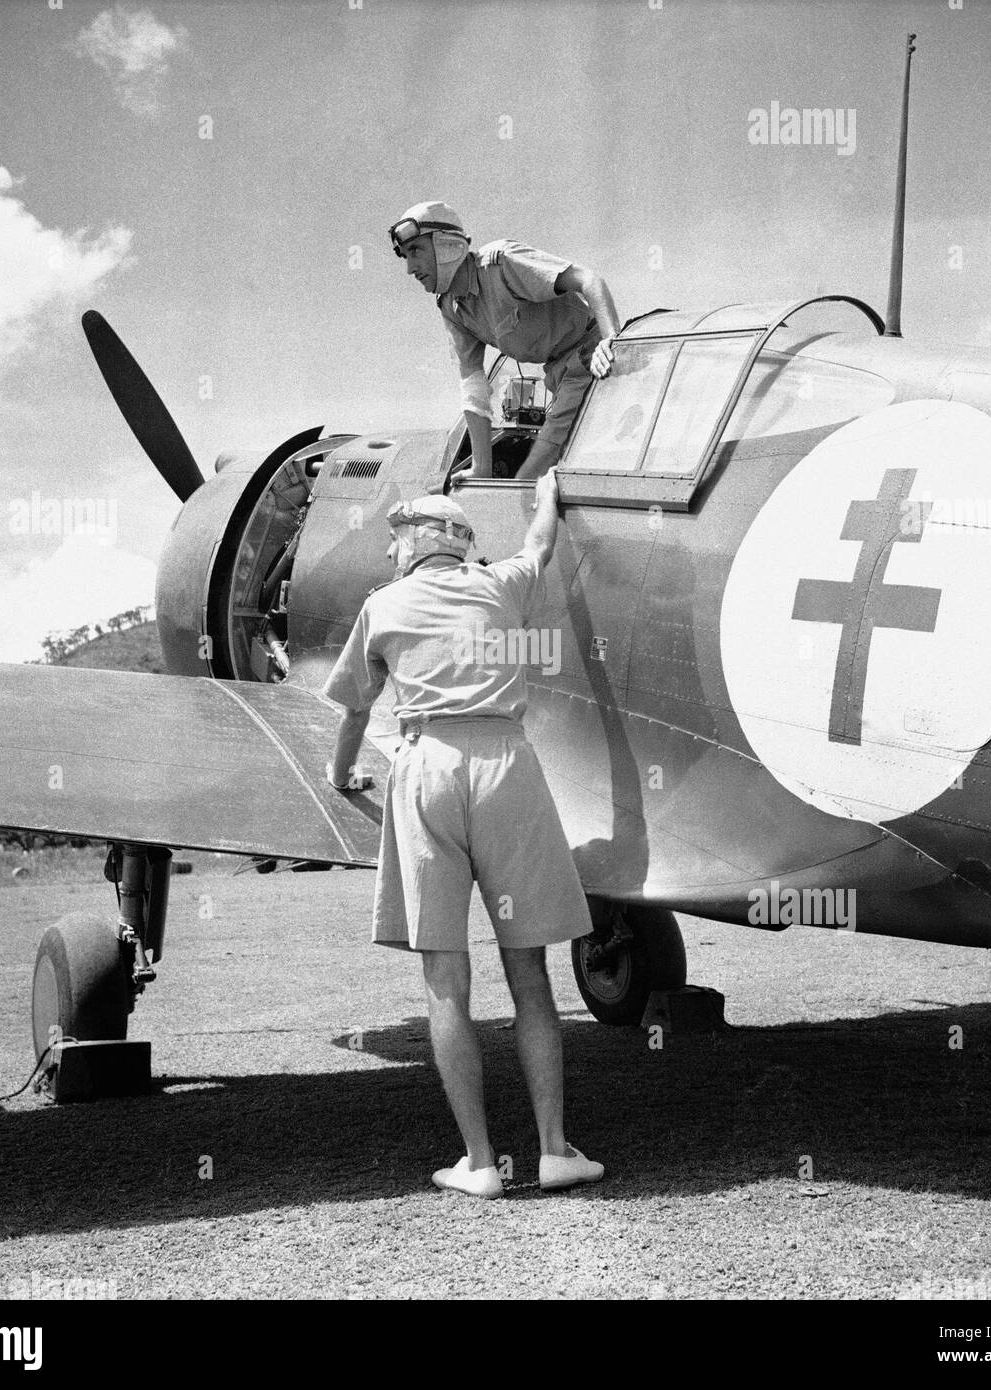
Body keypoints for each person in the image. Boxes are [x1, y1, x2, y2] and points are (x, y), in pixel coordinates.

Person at [322, 474, 603, 1198]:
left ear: (414, 544)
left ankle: (478, 1163)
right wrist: (548, 491)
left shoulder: (380, 606)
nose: (390, 551)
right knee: (530, 973)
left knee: (445, 980)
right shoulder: (499, 585)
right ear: (461, 545)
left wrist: (339, 774)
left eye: (395, 540)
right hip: (506, 765)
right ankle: (551, 1151)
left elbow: (355, 709)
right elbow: (540, 544)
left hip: (426, 767)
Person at [388, 200, 621, 480]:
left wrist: (612, 341)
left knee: (529, 481)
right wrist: (481, 469)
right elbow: (473, 386)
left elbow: (588, 280)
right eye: (405, 256)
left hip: (591, 360)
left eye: (415, 251)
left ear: (447, 245)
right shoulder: (452, 306)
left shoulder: (501, 263)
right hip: (557, 375)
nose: (410, 268)